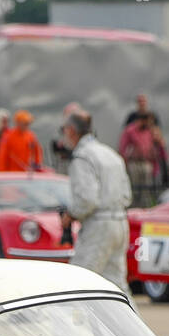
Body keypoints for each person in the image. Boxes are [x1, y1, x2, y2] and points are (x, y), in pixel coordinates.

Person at [59, 111, 134, 299]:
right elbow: (127, 195)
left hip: (98, 226)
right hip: (119, 222)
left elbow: (87, 200)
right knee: (117, 287)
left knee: (77, 283)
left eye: (65, 130)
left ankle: (70, 328)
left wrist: (71, 215)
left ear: (71, 130)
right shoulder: (111, 154)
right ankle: (132, 327)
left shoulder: (82, 157)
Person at [119, 111, 162, 202]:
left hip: (147, 162)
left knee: (146, 188)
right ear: (142, 120)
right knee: (135, 187)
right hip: (134, 163)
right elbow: (123, 147)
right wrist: (124, 161)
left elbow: (156, 145)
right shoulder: (130, 130)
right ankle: (135, 206)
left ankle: (146, 207)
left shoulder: (149, 130)